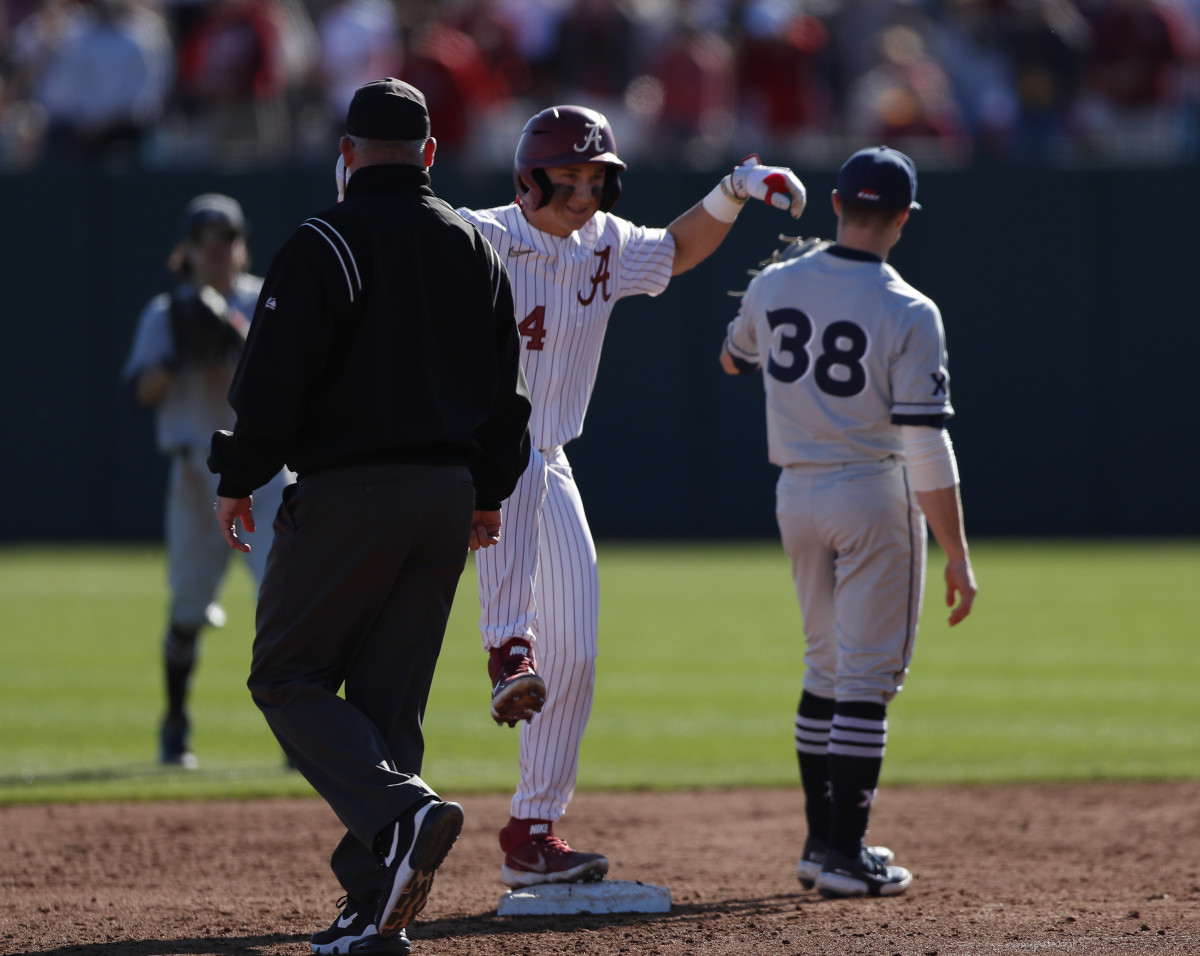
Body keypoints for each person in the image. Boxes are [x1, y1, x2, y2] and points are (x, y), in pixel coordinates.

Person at [208, 78, 531, 955]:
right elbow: (508, 397)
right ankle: (371, 908)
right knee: (389, 704)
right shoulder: (474, 242)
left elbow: (273, 385)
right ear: (430, 154)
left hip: (353, 491)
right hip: (445, 499)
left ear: (346, 155)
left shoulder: (325, 237)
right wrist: (489, 492)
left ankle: (401, 814)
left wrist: (240, 474)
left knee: (286, 676)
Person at [452, 104, 808, 889]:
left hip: (549, 456)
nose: (582, 193)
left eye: (595, 178)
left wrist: (734, 190)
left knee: (576, 647)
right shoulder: (479, 234)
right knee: (508, 494)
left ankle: (531, 830)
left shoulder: (604, 245)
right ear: (529, 176)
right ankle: (506, 646)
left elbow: (678, 250)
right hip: (471, 457)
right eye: (568, 177)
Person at [718, 145, 978, 898]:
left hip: (794, 495)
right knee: (866, 679)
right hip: (871, 490)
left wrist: (776, 297)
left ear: (835, 204)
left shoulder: (773, 284)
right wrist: (957, 551)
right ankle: (844, 851)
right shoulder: (909, 309)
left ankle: (819, 844)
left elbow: (731, 360)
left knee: (825, 667)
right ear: (902, 218)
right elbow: (926, 441)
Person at [122, 192, 293, 769]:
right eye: (207, 245)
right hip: (197, 481)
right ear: (188, 253)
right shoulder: (166, 313)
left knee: (285, 600)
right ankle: (175, 724)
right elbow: (142, 392)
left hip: (267, 478)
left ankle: (301, 736)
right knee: (189, 608)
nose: (218, 254)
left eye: (227, 242)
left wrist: (240, 339)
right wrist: (177, 353)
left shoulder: (267, 299)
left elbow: (295, 383)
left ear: (241, 247)